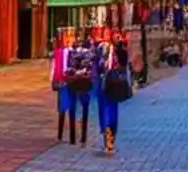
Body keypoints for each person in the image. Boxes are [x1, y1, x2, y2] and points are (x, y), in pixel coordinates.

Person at [52, 28, 96, 146]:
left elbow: (73, 68)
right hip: (77, 82)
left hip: (76, 82)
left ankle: (78, 138)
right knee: (75, 108)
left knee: (76, 108)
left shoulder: (75, 52)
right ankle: (78, 138)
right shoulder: (67, 52)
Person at [96, 26, 131, 155]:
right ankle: (108, 142)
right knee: (105, 113)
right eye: (103, 34)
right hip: (104, 85)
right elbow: (98, 66)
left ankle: (112, 139)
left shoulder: (117, 49)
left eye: (107, 34)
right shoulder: (99, 49)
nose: (105, 36)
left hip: (114, 85)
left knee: (112, 113)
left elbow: (124, 62)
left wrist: (121, 46)